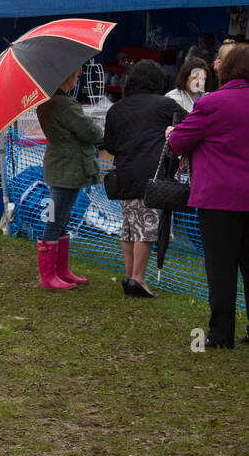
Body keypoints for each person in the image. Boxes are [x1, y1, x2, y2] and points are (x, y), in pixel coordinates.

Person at [166, 44, 249, 347]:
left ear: (226, 70)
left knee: (221, 269)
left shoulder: (212, 103)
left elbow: (178, 143)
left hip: (220, 200)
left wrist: (172, 134)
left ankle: (221, 333)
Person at [101, 60, 185, 299]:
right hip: (153, 175)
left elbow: (110, 145)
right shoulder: (166, 105)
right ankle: (138, 279)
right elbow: (189, 126)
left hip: (125, 173)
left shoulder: (116, 109)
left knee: (129, 228)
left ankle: (129, 276)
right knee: (146, 229)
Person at [35, 66, 101, 290]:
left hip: (58, 165)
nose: (78, 79)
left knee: (61, 218)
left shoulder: (46, 103)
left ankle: (60, 271)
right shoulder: (64, 105)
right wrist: (95, 126)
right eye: (76, 75)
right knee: (56, 219)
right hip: (68, 168)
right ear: (67, 77)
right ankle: (48, 275)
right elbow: (91, 132)